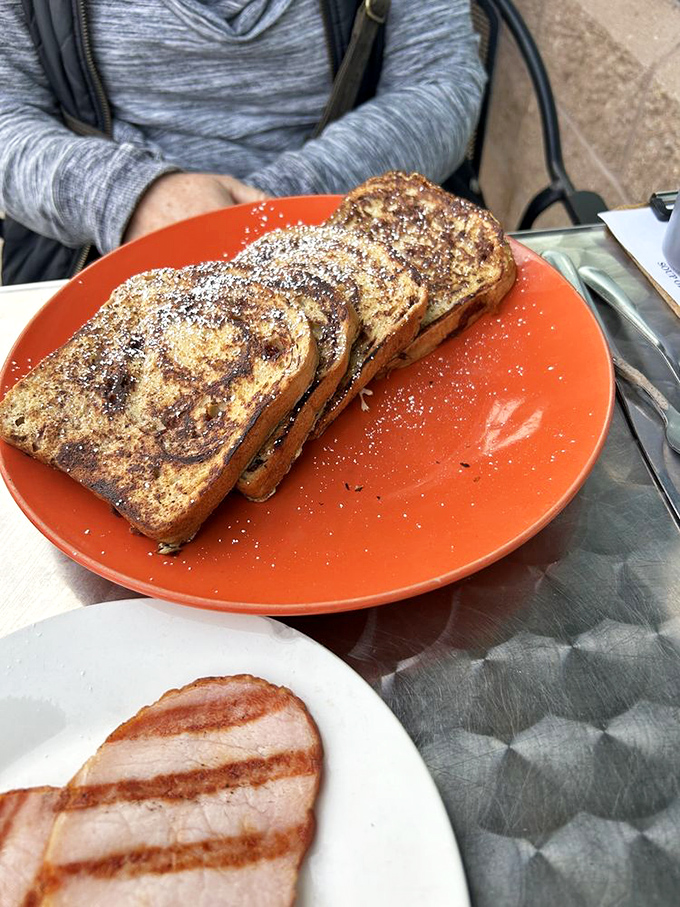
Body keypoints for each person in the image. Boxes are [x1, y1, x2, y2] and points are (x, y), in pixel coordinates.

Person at [0, 0, 486, 279]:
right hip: (100, 241)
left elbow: (439, 84)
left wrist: (270, 205)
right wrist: (128, 194)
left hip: (351, 219)